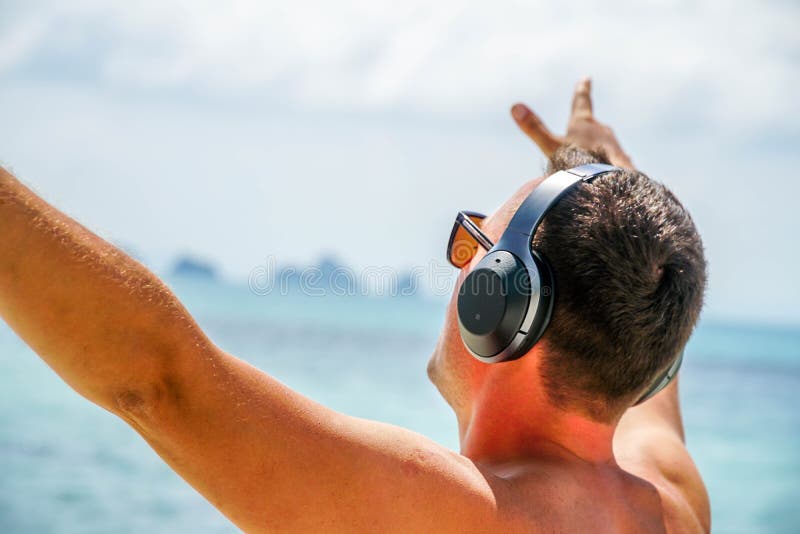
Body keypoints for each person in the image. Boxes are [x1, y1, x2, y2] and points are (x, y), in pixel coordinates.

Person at [0, 78, 710, 533]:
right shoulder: (673, 503)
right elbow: (648, 326)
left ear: (499, 299)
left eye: (473, 250)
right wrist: (606, 181)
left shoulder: (460, 515)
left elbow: (160, 379)